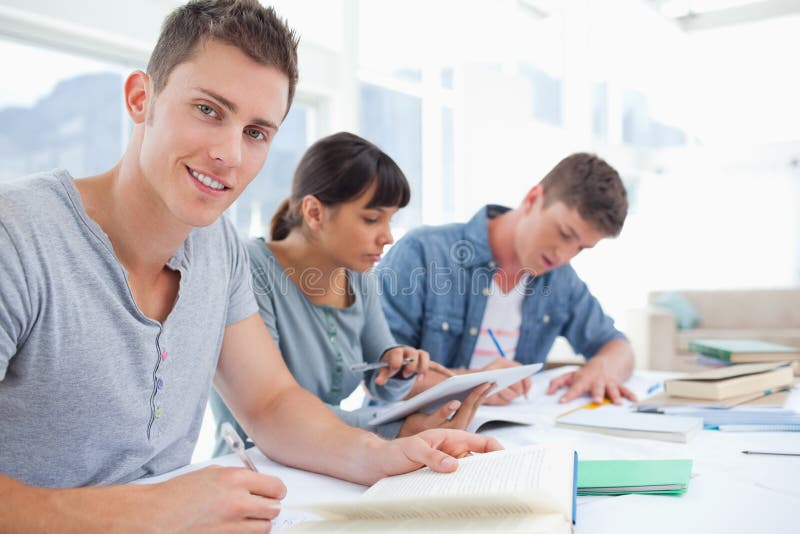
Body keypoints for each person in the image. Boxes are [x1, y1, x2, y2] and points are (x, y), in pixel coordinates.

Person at [0, 1, 500, 530]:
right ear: (141, 99)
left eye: (256, 132)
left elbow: (270, 402)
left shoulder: (219, 248)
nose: (230, 155)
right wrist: (157, 509)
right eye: (208, 110)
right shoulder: (18, 236)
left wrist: (383, 456)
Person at [210, 132, 492, 450]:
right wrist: (393, 428)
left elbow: (381, 382)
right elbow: (275, 411)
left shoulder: (358, 277)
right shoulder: (248, 270)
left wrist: (398, 367)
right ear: (314, 213)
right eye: (372, 219)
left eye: (390, 220)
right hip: (253, 464)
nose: (387, 237)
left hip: (330, 461)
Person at [378, 153, 636, 406]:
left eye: (581, 248)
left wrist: (600, 368)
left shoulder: (560, 280)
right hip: (409, 440)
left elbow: (619, 347)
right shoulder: (423, 253)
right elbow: (381, 375)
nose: (565, 256)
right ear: (533, 199)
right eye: (565, 233)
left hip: (509, 441)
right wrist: (474, 385)